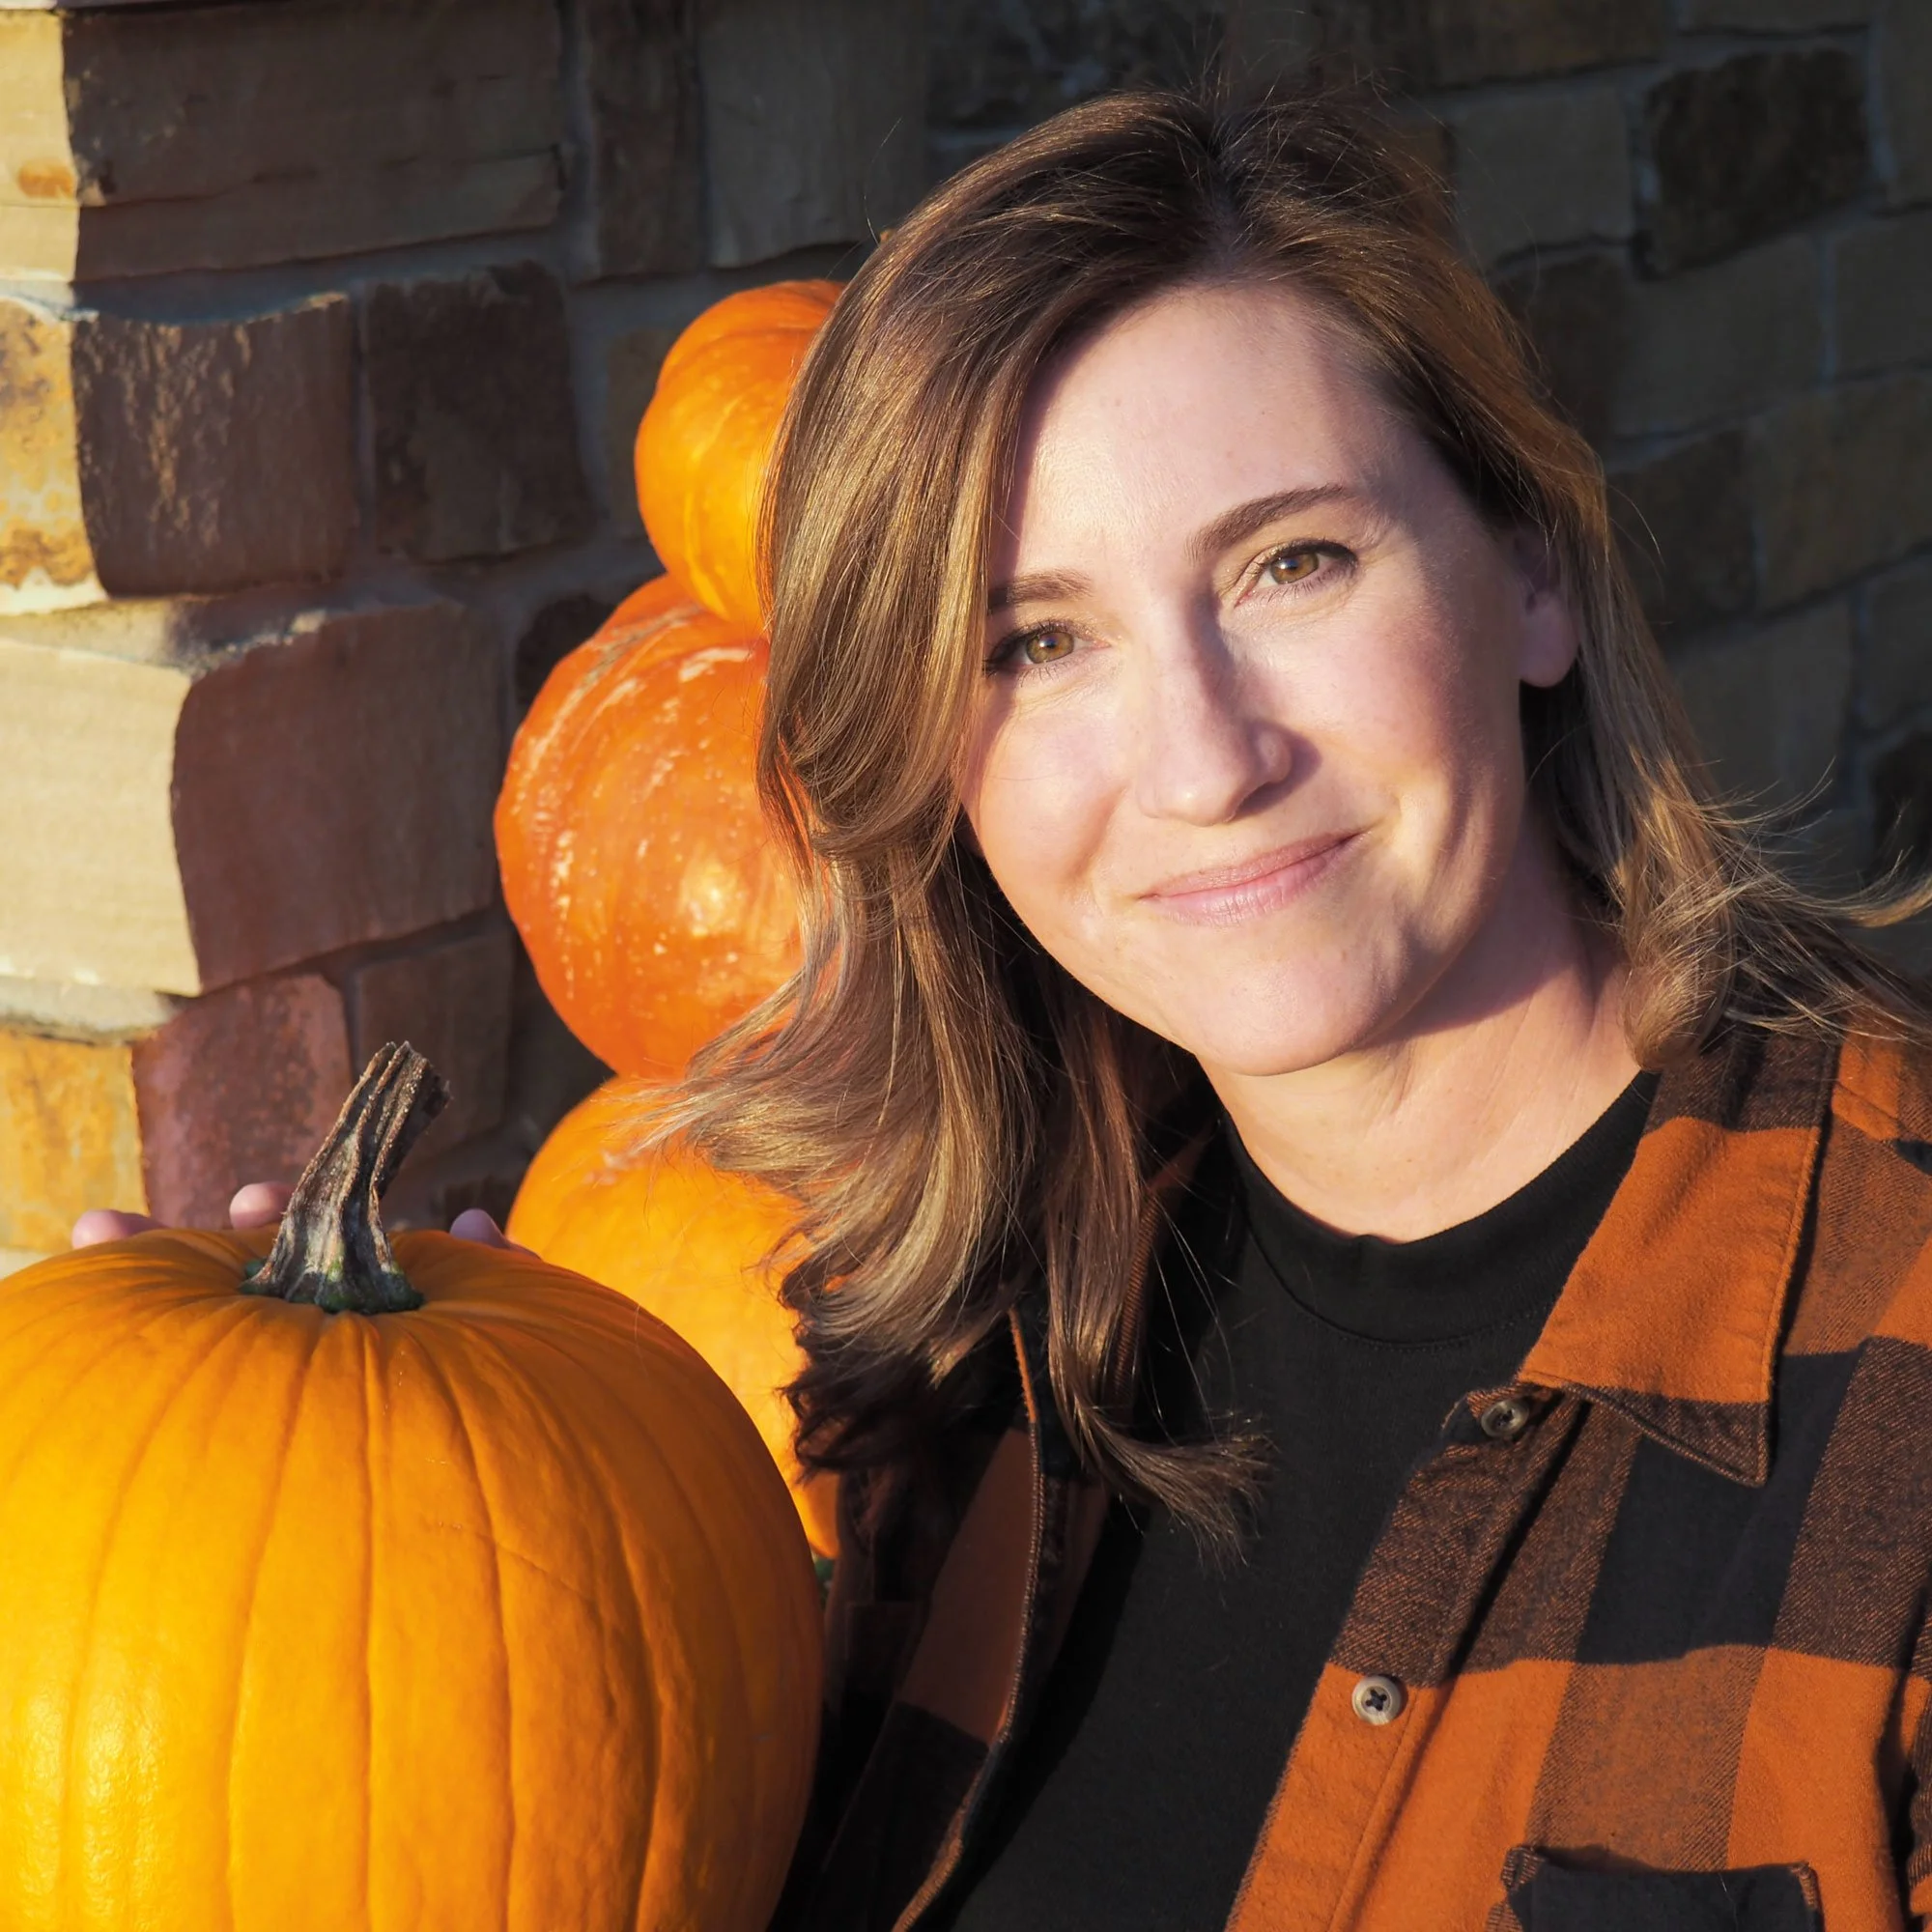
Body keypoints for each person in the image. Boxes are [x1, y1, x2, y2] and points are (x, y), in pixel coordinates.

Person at [82, 88, 1932, 1931]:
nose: (1205, 762)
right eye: (1036, 643)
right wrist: (365, 1515)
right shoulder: (953, 1350)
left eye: (1293, 563)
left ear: (1529, 570)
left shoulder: (1894, 1376)